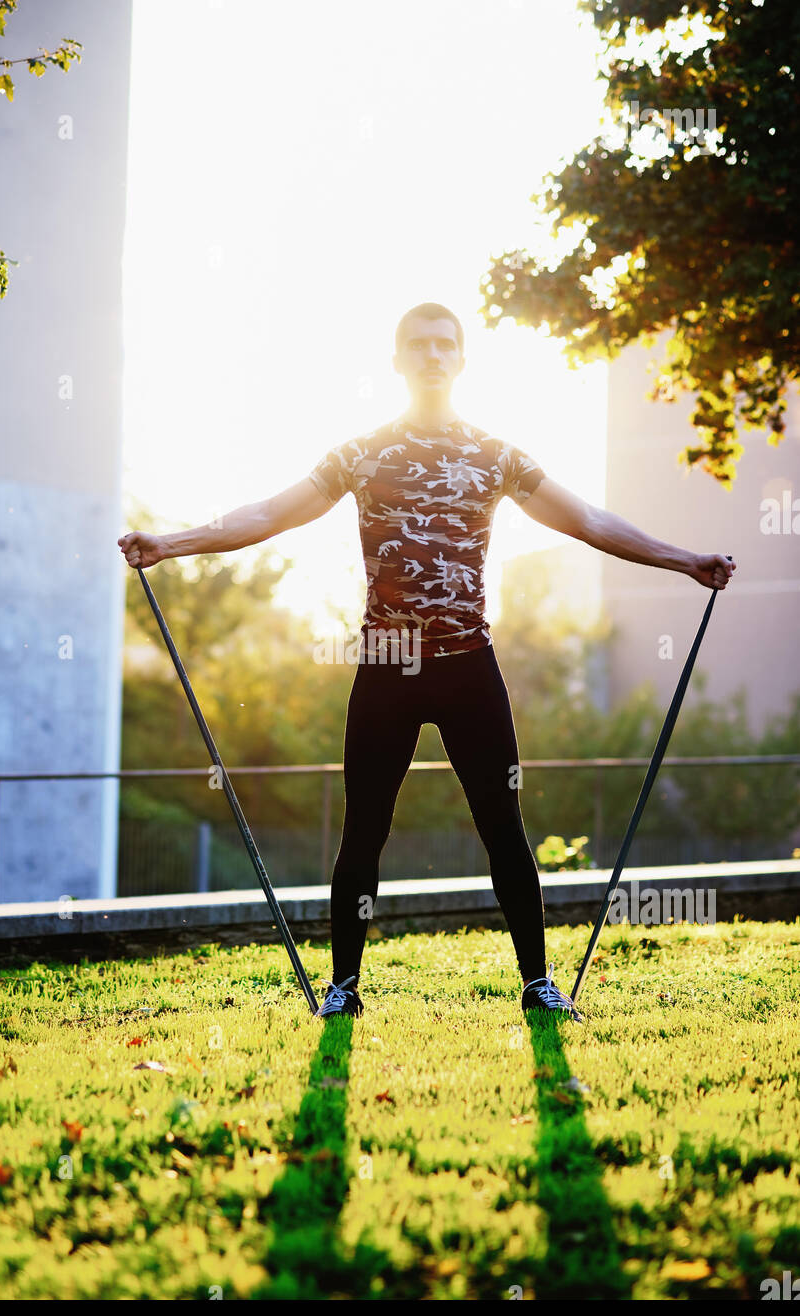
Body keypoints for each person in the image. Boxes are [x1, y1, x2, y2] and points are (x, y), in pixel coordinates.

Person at [118, 302, 737, 1026]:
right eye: (420, 343)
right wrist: (170, 543)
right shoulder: (360, 452)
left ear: (462, 359)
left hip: (468, 663)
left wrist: (684, 561)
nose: (433, 353)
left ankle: (537, 981)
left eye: (446, 343)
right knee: (364, 830)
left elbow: (589, 522)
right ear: (398, 360)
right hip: (387, 665)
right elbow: (267, 515)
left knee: (501, 824)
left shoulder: (496, 454)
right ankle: (343, 985)